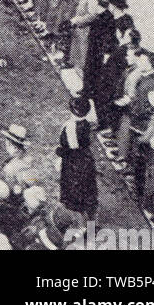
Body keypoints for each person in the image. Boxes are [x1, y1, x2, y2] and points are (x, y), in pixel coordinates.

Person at [57, 94, 98, 222]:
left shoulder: (71, 126)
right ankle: (92, 225)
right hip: (86, 160)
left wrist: (60, 152)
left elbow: (72, 147)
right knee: (89, 193)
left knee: (75, 196)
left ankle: (79, 226)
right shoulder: (87, 123)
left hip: (74, 163)